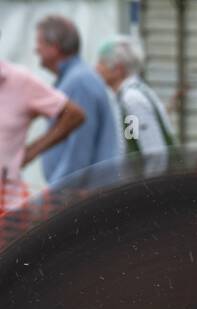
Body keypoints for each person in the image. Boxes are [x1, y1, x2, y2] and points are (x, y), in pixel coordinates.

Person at [35, 15, 120, 183]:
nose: (36, 50)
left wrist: (55, 197)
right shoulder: (73, 79)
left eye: (40, 43)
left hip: (82, 197)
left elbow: (79, 153)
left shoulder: (80, 82)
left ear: (54, 47)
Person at [0, 53, 84, 209]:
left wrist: (29, 153)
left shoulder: (20, 80)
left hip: (7, 205)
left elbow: (74, 116)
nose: (36, 50)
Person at [96, 36, 175, 157]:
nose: (96, 68)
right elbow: (132, 140)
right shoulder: (130, 95)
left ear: (118, 69)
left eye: (102, 63)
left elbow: (152, 150)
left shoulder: (132, 99)